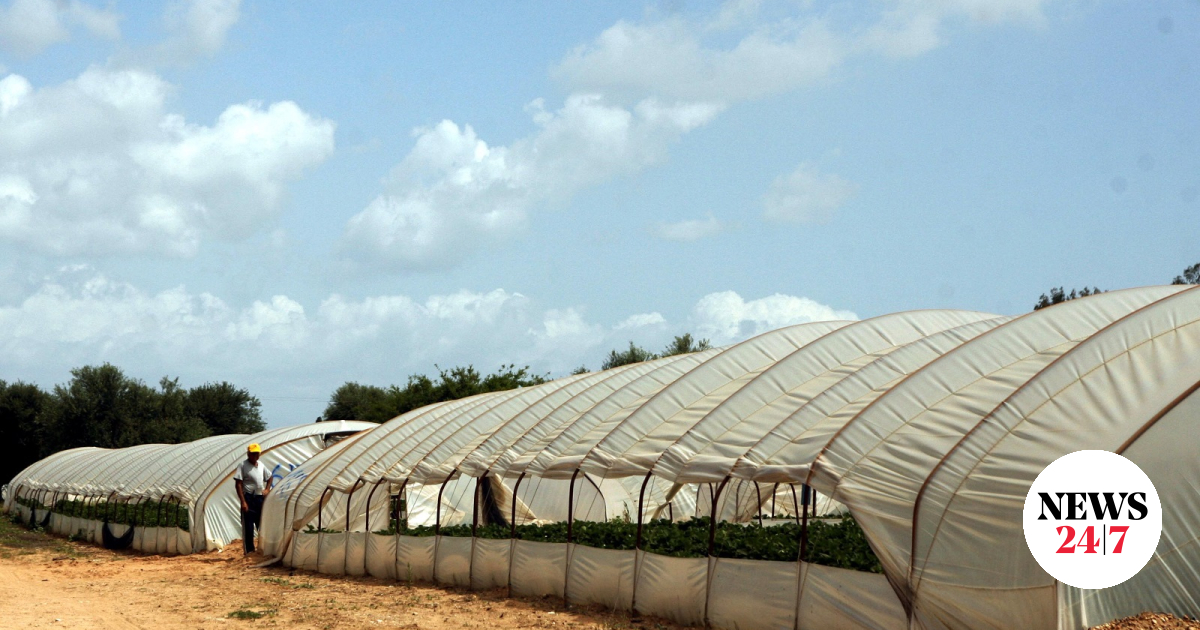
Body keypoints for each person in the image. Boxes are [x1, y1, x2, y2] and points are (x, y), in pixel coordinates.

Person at [234, 443, 273, 554]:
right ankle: (249, 550)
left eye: (257, 453)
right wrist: (243, 501)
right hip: (249, 498)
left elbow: (269, 476)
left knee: (261, 524)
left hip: (259, 498)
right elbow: (238, 484)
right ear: (248, 454)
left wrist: (267, 489)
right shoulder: (242, 465)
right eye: (253, 454)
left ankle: (263, 548)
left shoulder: (260, 465)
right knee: (248, 526)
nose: (256, 456)